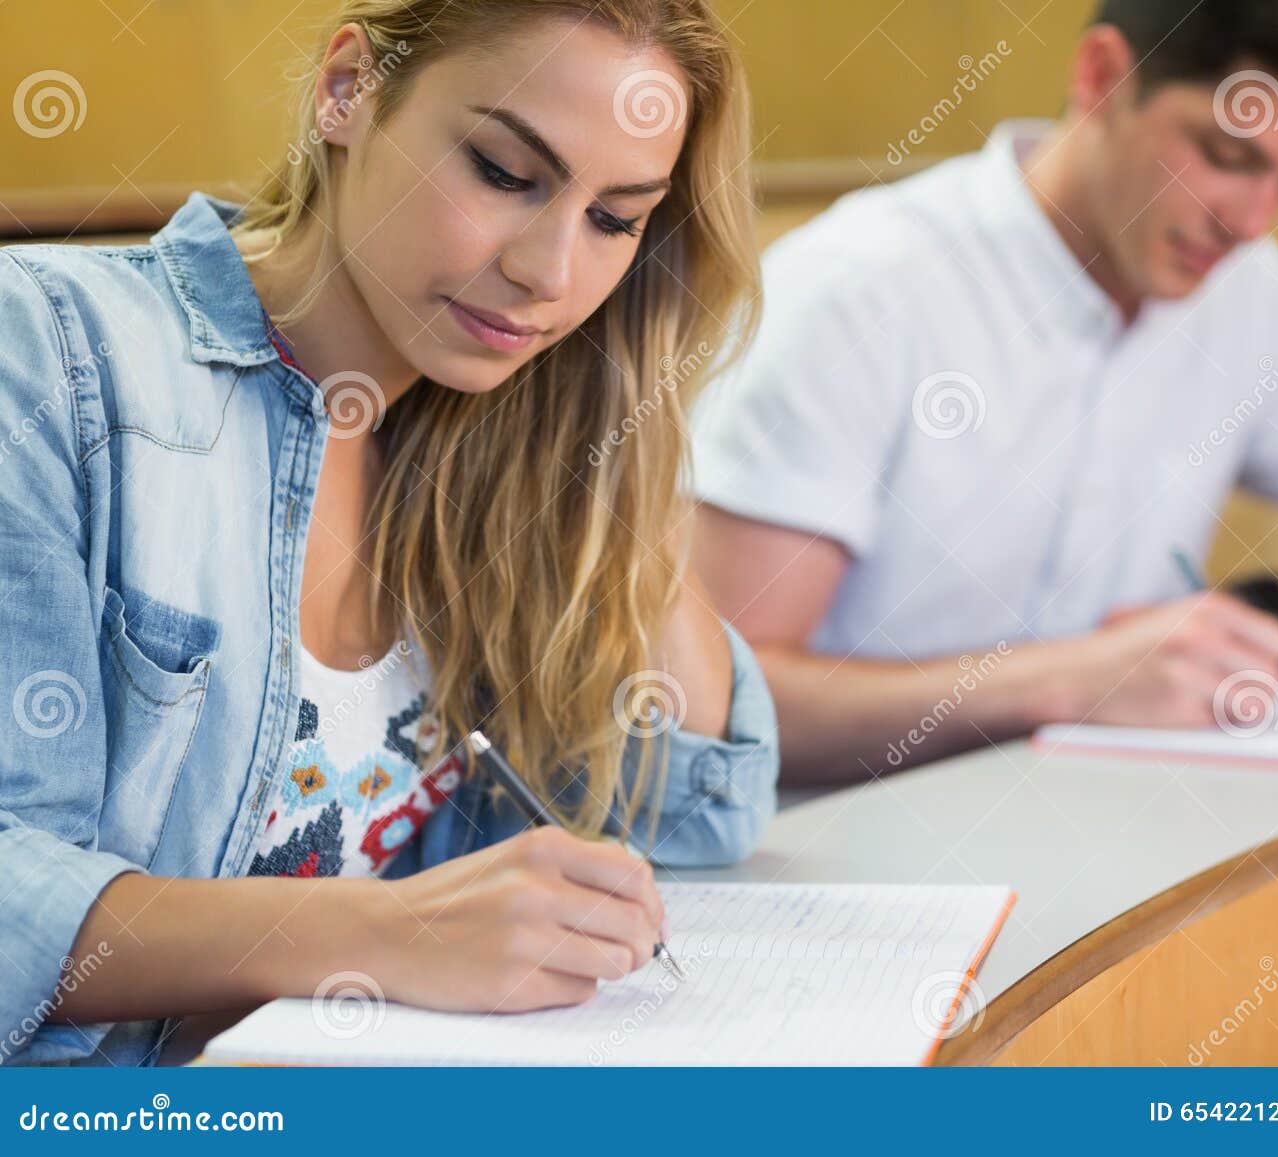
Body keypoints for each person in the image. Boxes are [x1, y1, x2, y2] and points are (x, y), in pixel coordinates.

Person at [0, 0, 775, 1067]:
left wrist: (624, 437)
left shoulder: (498, 442)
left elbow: (689, 810)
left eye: (616, 219)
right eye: (505, 173)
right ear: (347, 90)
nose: (550, 273)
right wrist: (392, 935)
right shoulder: (46, 353)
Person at [691, 0, 1278, 783]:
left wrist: (1263, 623)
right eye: (1229, 156)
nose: (1253, 221)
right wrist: (1073, 681)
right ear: (1103, 75)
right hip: (840, 861)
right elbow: (717, 695)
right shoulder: (858, 293)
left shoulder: (1248, 294)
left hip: (1116, 840)